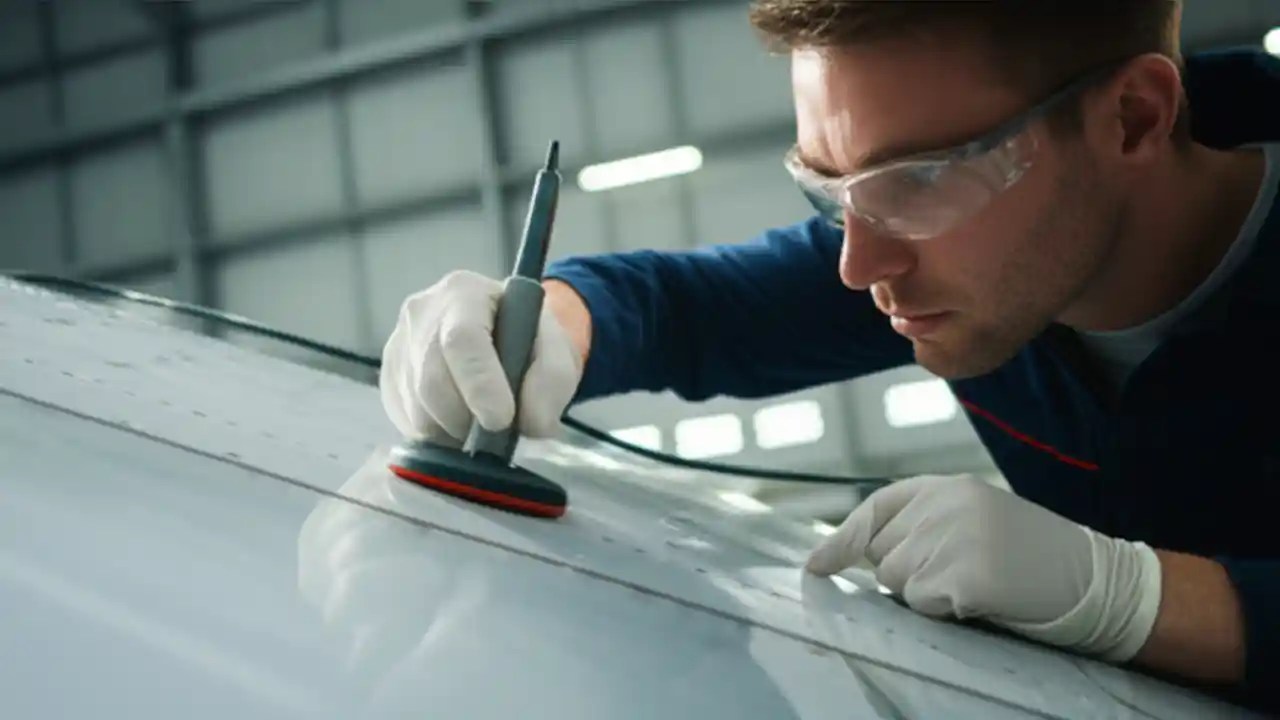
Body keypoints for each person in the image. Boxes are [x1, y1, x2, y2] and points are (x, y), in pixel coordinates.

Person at [378, 1, 1279, 712]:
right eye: (830, 189)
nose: (858, 264)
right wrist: (555, 320)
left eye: (918, 182)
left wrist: (1141, 600)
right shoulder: (981, 252)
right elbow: (689, 308)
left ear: (1132, 120)